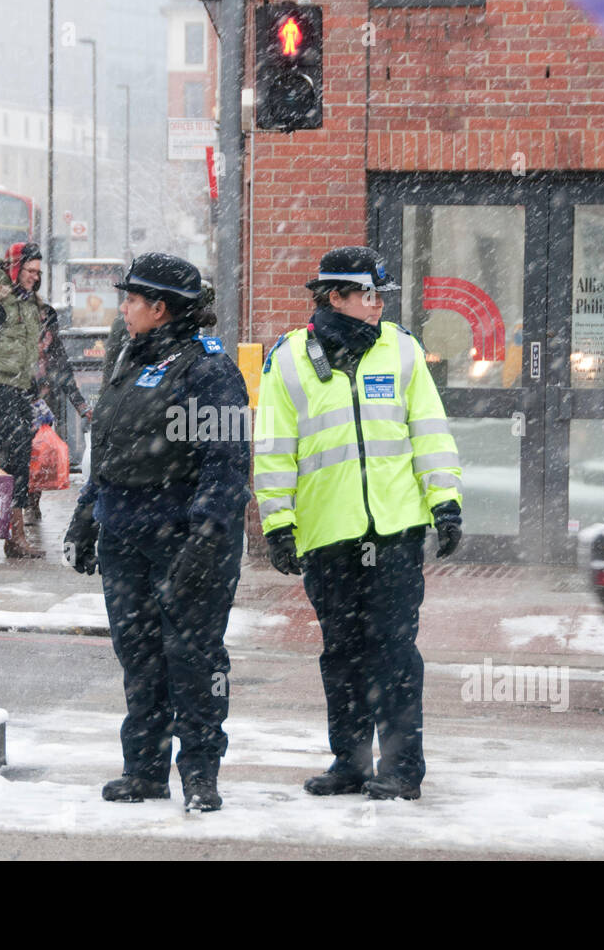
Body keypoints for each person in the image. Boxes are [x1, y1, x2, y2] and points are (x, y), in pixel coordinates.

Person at [253, 246, 463, 801]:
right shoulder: (290, 359)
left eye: (380, 295)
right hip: (329, 536)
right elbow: (274, 449)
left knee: (395, 652)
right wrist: (278, 523)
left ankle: (400, 769)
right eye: (368, 294)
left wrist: (445, 500)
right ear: (335, 297)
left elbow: (430, 430)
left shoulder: (403, 350)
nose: (378, 305)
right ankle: (349, 763)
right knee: (341, 654)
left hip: (395, 532)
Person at [63, 253, 250, 813]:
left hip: (183, 541)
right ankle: (143, 771)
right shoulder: (129, 353)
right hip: (124, 534)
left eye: (132, 300)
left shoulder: (209, 367)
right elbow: (110, 447)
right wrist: (86, 513)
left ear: (161, 309)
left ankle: (199, 774)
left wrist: (209, 536)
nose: (123, 307)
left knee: (193, 661)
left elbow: (228, 460)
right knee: (139, 656)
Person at [0, 242, 45, 558]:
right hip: (0, 389)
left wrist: (34, 394)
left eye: (38, 272)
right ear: (16, 269)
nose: (35, 277)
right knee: (12, 459)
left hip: (19, 390)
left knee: (19, 460)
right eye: (30, 270)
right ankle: (14, 536)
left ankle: (12, 535)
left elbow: (27, 353)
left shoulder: (26, 303)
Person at [25, 306, 93, 525]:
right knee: (21, 458)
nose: (43, 329)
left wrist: (82, 406)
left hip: (44, 411)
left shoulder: (54, 346)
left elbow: (66, 378)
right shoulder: (22, 342)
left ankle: (31, 504)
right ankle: (22, 505)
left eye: (46, 323)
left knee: (39, 457)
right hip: (20, 405)